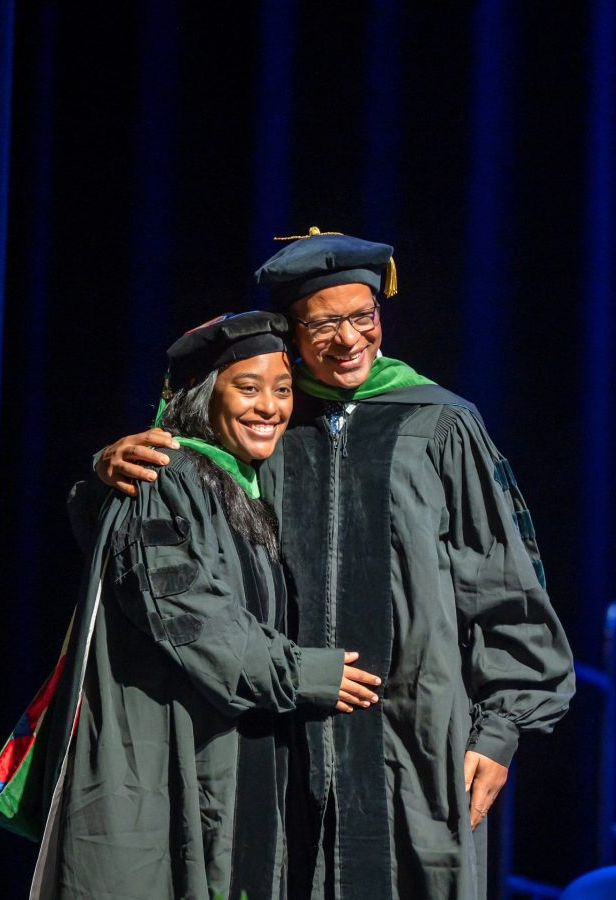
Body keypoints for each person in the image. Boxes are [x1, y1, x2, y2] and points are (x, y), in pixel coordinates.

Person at [95, 230, 576, 900]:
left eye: (362, 316)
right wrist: (105, 470)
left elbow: (503, 583)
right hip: (276, 739)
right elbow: (168, 532)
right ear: (293, 333)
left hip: (415, 740)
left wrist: (500, 732)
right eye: (323, 324)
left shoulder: (440, 425)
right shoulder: (263, 425)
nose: (348, 339)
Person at [29, 310, 382, 900]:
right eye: (247, 388)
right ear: (201, 395)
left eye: (283, 390)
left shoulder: (246, 489)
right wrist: (305, 673)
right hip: (156, 760)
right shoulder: (162, 477)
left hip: (220, 757)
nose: (269, 407)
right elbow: (188, 617)